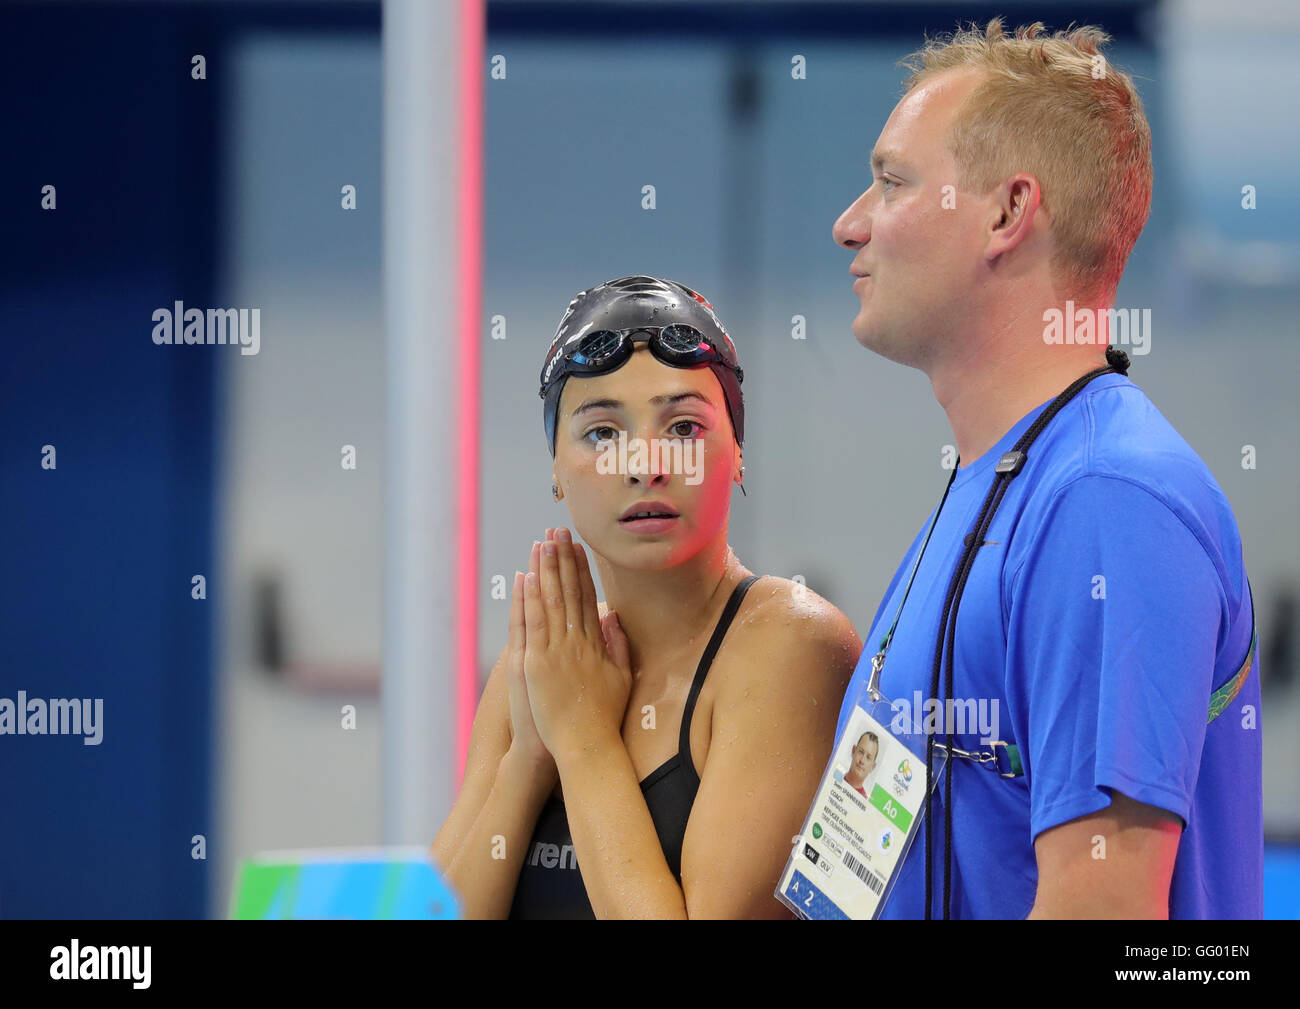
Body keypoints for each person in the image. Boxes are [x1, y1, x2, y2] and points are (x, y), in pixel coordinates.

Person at [829, 19, 1261, 919]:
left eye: (891, 181)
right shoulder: (999, 483)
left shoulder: (1107, 501)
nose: (849, 224)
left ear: (1007, 213)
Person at [430, 275, 862, 918]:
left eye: (683, 425)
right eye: (602, 433)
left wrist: (580, 737)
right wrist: (528, 756)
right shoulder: (546, 662)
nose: (645, 463)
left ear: (737, 451)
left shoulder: (790, 647)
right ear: (555, 466)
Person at [842, 731, 879, 798]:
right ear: (853, 751)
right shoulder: (834, 776)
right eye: (861, 752)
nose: (862, 761)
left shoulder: (864, 802)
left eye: (868, 757)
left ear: (872, 767)